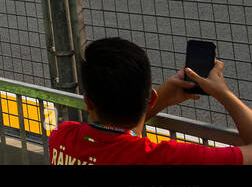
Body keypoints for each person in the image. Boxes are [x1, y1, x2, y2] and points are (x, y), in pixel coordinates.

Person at [47, 37, 250, 164]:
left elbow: (114, 135)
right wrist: (224, 94)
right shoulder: (166, 158)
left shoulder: (62, 138)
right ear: (151, 98)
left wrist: (161, 98)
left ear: (88, 102)